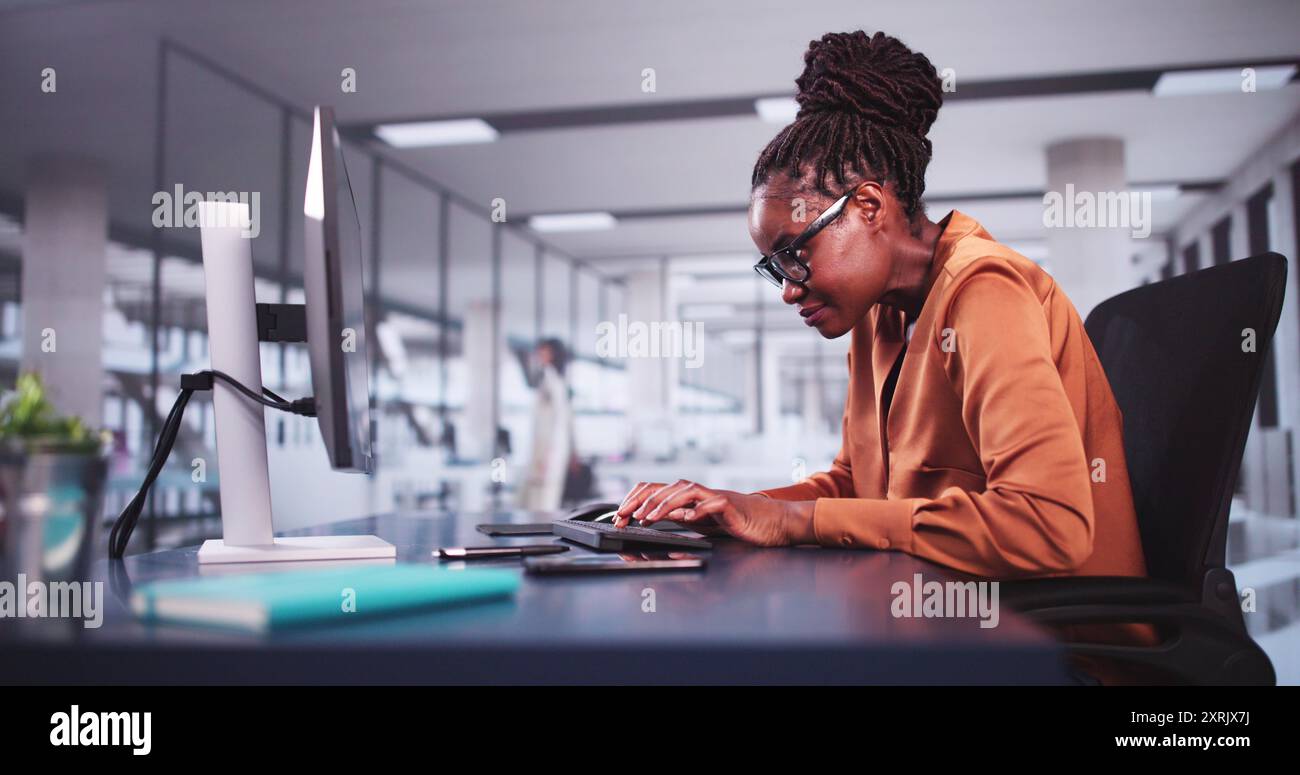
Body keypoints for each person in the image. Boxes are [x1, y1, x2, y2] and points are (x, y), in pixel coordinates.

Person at [614, 30, 1155, 682]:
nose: (788, 287)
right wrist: (731, 508)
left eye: (796, 252)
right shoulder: (880, 317)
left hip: (1058, 652)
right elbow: (854, 486)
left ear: (868, 206)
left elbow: (1048, 524)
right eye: (773, 266)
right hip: (948, 622)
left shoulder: (985, 291)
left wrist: (795, 520)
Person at [517, 338, 575, 512]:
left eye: (545, 351)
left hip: (550, 447)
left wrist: (548, 453)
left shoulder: (553, 379)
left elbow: (559, 420)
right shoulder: (548, 378)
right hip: (545, 446)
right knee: (539, 493)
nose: (540, 355)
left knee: (545, 495)